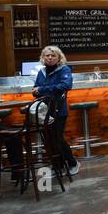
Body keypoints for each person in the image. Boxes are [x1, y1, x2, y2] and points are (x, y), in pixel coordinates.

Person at [32, 45, 78, 176]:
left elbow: (65, 85)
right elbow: (36, 89)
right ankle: (57, 166)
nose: (50, 58)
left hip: (59, 109)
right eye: (47, 55)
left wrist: (42, 90)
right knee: (50, 140)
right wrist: (39, 91)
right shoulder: (41, 72)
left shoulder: (64, 69)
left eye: (53, 55)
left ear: (59, 58)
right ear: (43, 58)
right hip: (44, 111)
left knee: (58, 138)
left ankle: (72, 163)